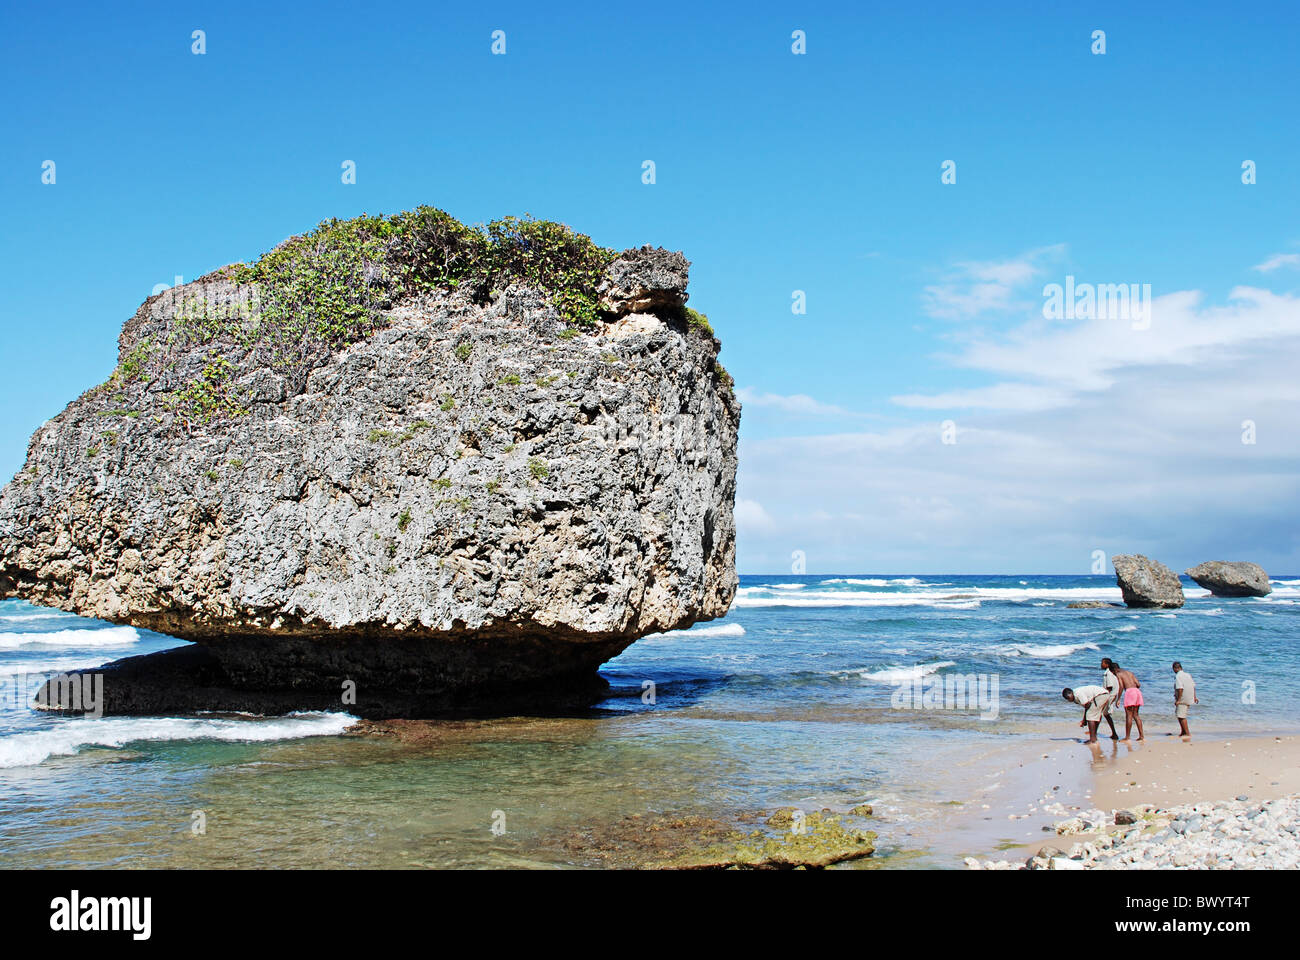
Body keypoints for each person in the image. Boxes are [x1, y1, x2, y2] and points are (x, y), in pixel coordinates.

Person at [1107, 660, 1144, 741]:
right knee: (1136, 715)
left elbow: (1121, 686)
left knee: (1129, 716)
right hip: (1137, 692)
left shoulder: (1118, 674)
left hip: (1130, 692)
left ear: (1113, 670)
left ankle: (1127, 737)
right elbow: (1138, 684)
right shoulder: (1129, 672)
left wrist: (1118, 699)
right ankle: (1141, 736)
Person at [1097, 658, 1122, 740]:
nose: (1101, 664)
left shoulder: (1108, 674)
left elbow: (1109, 688)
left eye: (1102, 663)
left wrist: (1102, 697)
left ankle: (1094, 733)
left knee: (1100, 713)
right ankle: (1114, 734)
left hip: (1109, 696)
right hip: (1111, 696)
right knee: (1105, 714)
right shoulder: (1109, 674)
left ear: (1107, 665)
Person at [1172, 661, 1197, 737]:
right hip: (1189, 697)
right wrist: (1194, 697)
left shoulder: (1178, 676)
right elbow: (1193, 686)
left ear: (1176, 668)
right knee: (1180, 714)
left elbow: (1180, 688)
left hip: (1183, 698)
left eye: (1173, 669)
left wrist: (1178, 700)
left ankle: (1187, 733)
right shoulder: (1187, 675)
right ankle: (1183, 732)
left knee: (1181, 716)